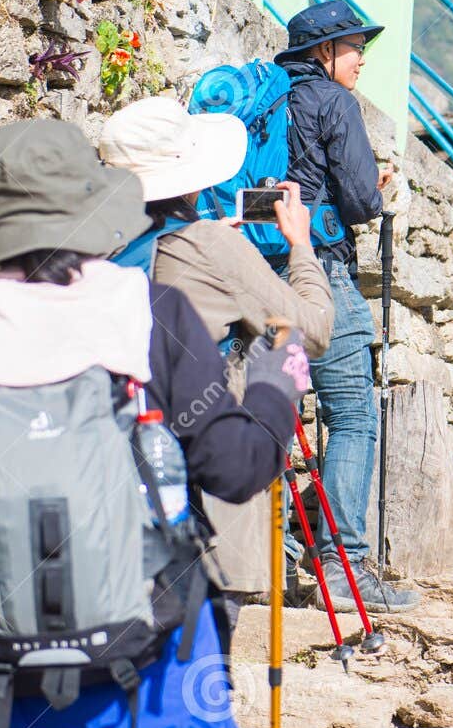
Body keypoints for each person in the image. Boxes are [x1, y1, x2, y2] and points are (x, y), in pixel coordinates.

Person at [0, 120, 309, 728]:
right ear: (94, 207)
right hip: (149, 688)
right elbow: (239, 468)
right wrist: (278, 377)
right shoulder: (149, 314)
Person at [99, 96, 335, 624]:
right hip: (200, 452)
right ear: (190, 176)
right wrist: (300, 246)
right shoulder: (205, 244)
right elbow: (309, 330)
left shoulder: (95, 243)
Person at [275, 1, 414, 613]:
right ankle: (343, 571)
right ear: (325, 53)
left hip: (255, 272)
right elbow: (358, 201)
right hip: (323, 272)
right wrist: (379, 190)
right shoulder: (334, 103)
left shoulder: (267, 100)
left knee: (268, 415)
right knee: (353, 415)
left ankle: (265, 560)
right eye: (354, 47)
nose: (361, 59)